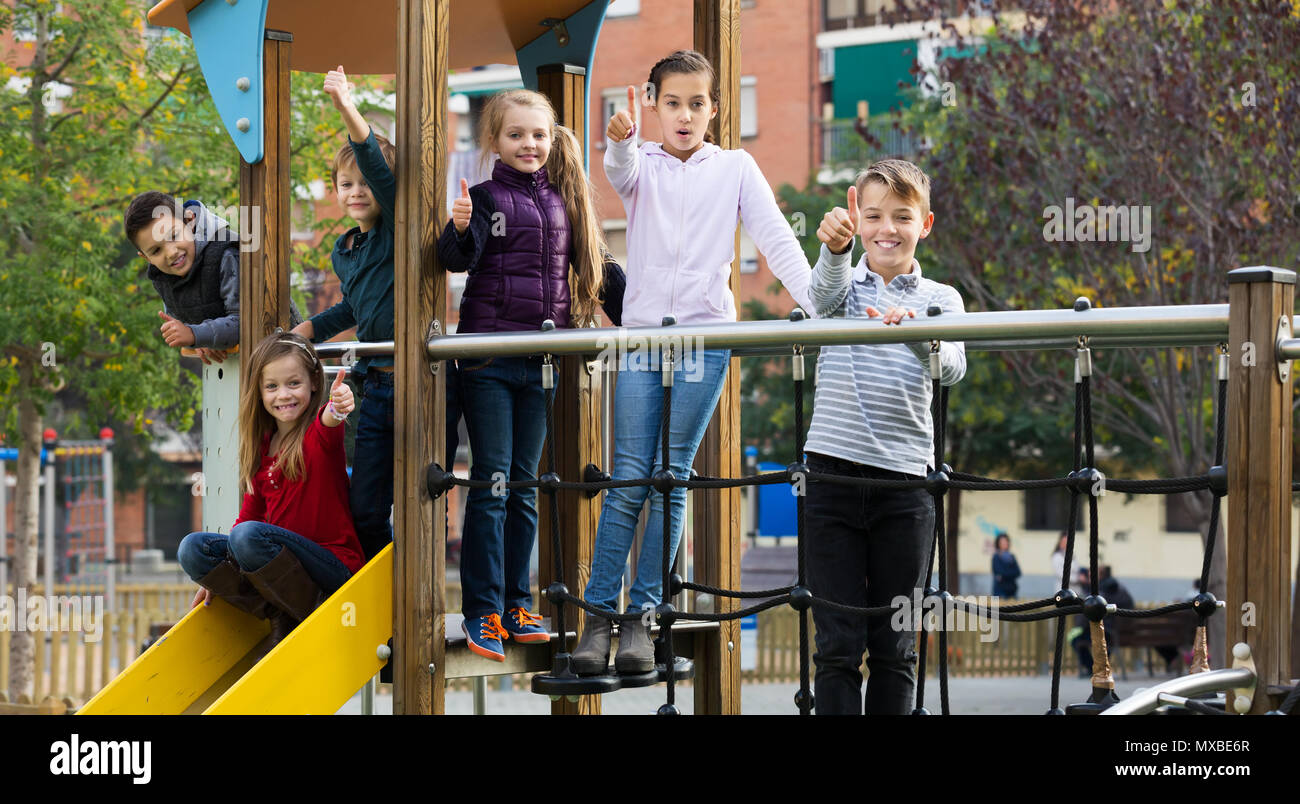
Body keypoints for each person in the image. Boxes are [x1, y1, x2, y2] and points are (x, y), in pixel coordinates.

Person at [570, 50, 814, 676]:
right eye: (672, 102)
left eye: (697, 103)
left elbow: (776, 237)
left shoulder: (734, 166)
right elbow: (618, 170)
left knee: (671, 476)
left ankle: (641, 618)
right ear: (653, 102)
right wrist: (620, 140)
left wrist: (819, 305)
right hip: (645, 338)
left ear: (714, 108)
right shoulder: (643, 164)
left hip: (707, 337)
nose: (684, 115)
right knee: (630, 476)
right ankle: (598, 614)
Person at [436, 88, 625, 662]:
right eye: (516, 135)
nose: (530, 144)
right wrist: (460, 228)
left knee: (525, 485)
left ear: (552, 139)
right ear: (493, 140)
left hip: (540, 364)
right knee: (492, 483)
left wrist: (619, 316)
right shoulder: (487, 198)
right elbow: (455, 259)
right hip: (489, 359)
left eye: (539, 135)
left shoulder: (563, 203)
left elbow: (595, 266)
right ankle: (482, 611)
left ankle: (520, 601)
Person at [802, 158, 967, 715]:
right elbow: (817, 303)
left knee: (896, 647)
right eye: (872, 216)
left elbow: (953, 368)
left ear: (926, 224)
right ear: (857, 217)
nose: (886, 229)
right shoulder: (843, 282)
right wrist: (833, 250)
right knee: (837, 646)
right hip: (830, 477)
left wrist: (920, 334)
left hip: (905, 486)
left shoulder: (941, 297)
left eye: (901, 216)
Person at [176, 333, 364, 647]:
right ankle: (281, 613)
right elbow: (251, 513)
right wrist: (216, 575)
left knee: (247, 537)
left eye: (294, 383)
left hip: (331, 566)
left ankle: (303, 608)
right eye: (272, 387)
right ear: (260, 392)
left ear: (314, 382)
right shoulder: (263, 447)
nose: (283, 395)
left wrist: (340, 404)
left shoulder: (318, 433)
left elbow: (333, 418)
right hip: (280, 570)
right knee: (193, 549)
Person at [291, 66, 398, 565]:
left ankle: (420, 594)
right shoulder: (346, 250)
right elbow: (354, 307)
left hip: (414, 380)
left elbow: (377, 167)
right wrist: (306, 332)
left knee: (425, 495)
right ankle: (380, 589)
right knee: (366, 505)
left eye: (364, 182)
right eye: (344, 183)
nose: (356, 191)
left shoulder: (396, 227)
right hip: (372, 382)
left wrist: (346, 107)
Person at [124, 192, 241, 366]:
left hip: (280, 356)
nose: (171, 253)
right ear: (146, 258)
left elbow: (244, 322)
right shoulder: (162, 277)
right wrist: (200, 340)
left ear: (190, 221)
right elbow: (186, 323)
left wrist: (195, 334)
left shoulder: (226, 255)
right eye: (156, 251)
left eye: (174, 236)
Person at [991, 531, 1020, 598]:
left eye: (1006, 541)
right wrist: (1011, 574)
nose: (1005, 543)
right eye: (1002, 542)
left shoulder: (1011, 556)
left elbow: (1018, 572)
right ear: (998, 543)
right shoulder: (996, 557)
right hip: (1000, 591)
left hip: (1012, 590)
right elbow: (998, 571)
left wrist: (1004, 575)